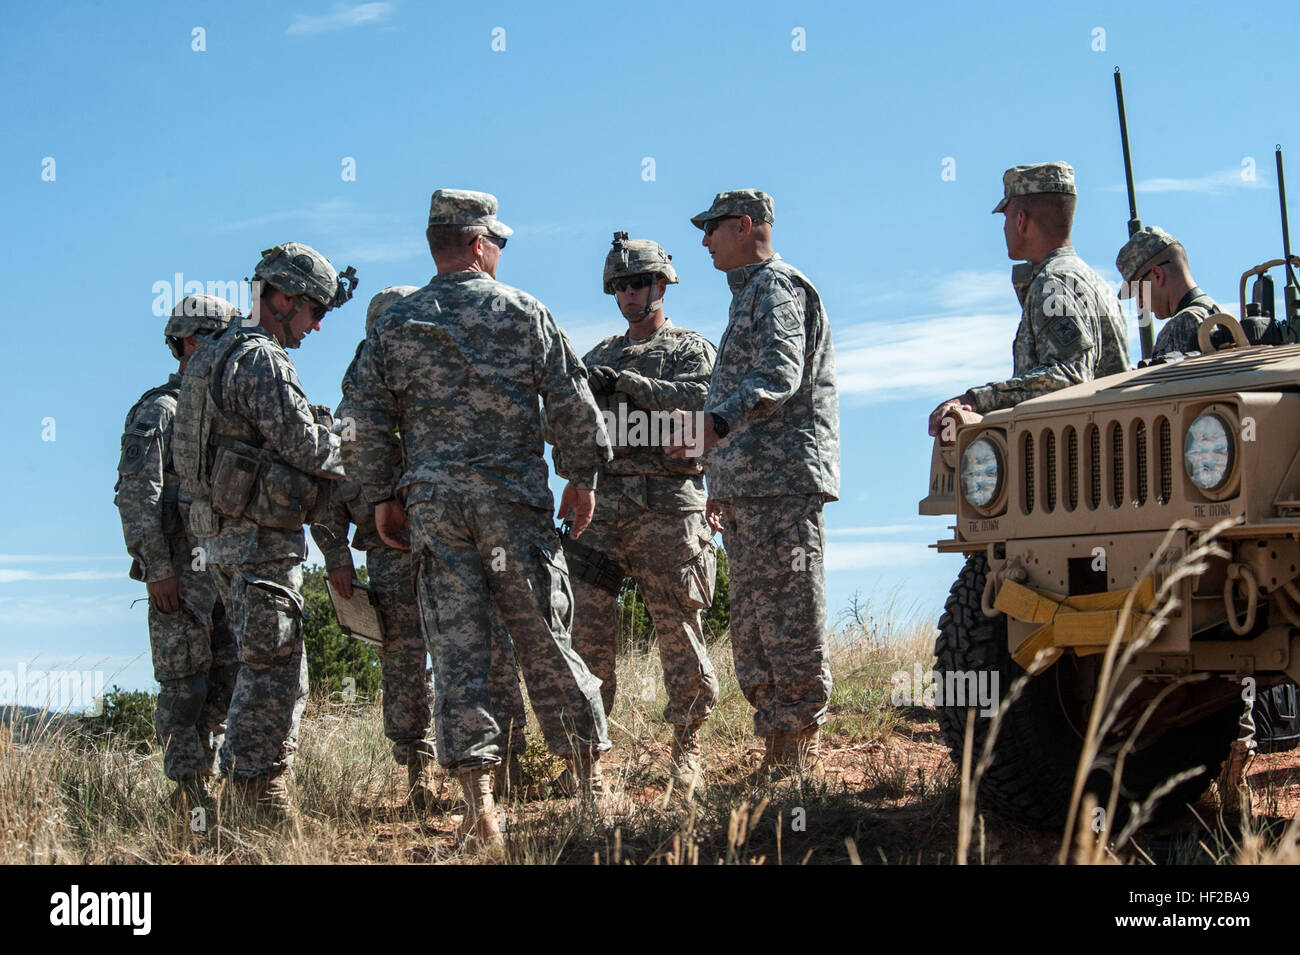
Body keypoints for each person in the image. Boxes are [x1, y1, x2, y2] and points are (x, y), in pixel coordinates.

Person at [339, 189, 611, 847]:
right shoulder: (523, 311)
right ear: (479, 243)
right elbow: (573, 402)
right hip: (511, 501)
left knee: (457, 653)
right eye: (499, 242)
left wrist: (381, 495)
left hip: (436, 508)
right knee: (546, 636)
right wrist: (582, 476)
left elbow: (361, 419)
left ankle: (480, 810)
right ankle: (589, 796)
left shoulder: (395, 325)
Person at [319, 285, 530, 808]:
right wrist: (337, 556)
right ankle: (416, 776)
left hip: (455, 542)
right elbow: (330, 490)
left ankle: (509, 762)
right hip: (391, 553)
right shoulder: (358, 403)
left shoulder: (438, 388)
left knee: (485, 647)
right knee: (405, 661)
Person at [174, 242, 357, 824]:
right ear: (283, 298)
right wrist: (350, 445)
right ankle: (258, 799)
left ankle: (243, 792)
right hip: (259, 541)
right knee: (276, 668)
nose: (317, 325)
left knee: (257, 664)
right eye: (314, 311)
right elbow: (303, 445)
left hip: (220, 538)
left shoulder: (210, 356)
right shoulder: (261, 359)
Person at [669, 189, 840, 781]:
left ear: (745, 225)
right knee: (754, 621)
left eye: (712, 227)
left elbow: (779, 372)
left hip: (783, 483)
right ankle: (778, 748)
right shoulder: (751, 295)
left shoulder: (776, 287)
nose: (704, 240)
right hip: (751, 488)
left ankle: (797, 751)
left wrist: (714, 424)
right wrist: (720, 480)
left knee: (788, 613)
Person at [564, 232, 720, 793]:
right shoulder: (598, 355)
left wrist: (629, 384)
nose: (628, 294)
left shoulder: (690, 349)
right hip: (603, 512)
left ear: (661, 284)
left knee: (679, 625)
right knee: (588, 631)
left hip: (670, 507)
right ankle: (588, 762)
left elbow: (707, 404)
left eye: (637, 283)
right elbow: (570, 418)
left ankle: (688, 749)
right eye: (619, 285)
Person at [115, 293, 241, 814]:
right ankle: (187, 795)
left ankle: (208, 783)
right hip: (180, 579)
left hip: (226, 572)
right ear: (190, 341)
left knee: (226, 683)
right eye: (215, 339)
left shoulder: (224, 411)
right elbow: (136, 495)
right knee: (184, 685)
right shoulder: (160, 411)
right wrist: (157, 570)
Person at [928, 162, 1130, 435]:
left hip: (1073, 459)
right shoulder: (1098, 284)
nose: (1004, 228)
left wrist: (976, 400)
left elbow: (1069, 377)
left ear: (1021, 220)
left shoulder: (1052, 284)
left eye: (1006, 217)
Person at [1115, 226, 1222, 358]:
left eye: (1140, 291)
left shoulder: (1180, 326)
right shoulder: (1221, 316)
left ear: (1157, 275)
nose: (1141, 304)